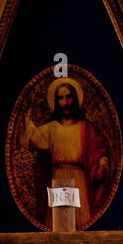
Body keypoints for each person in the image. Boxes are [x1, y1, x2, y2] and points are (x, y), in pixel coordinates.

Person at [21, 78, 112, 227]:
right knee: (57, 225)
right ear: (56, 102)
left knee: (80, 224)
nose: (66, 102)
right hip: (56, 179)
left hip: (79, 181)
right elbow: (32, 140)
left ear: (75, 99)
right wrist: (27, 120)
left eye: (69, 97)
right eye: (61, 98)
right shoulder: (51, 128)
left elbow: (99, 149)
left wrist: (102, 164)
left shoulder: (86, 128)